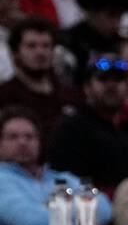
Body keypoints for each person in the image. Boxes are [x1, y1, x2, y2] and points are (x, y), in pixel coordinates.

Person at [0, 106, 111, 225]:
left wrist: (50, 208)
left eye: (29, 137)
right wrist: (81, 210)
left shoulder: (62, 178)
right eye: (12, 137)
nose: (22, 142)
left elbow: (105, 209)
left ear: (39, 142)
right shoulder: (2, 179)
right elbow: (31, 222)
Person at [47, 55, 128, 191]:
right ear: (87, 87)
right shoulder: (72, 128)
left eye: (118, 80)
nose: (112, 86)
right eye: (103, 79)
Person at [0, 17, 78, 149]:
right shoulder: (5, 97)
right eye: (31, 46)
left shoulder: (70, 94)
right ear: (15, 53)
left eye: (46, 46)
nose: (40, 52)